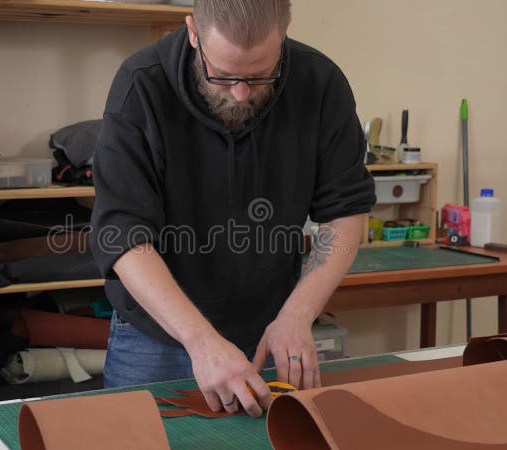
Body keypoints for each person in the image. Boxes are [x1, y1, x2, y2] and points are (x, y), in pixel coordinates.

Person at [90, 0, 375, 418]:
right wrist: (200, 340)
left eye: (260, 76)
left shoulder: (321, 83)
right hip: (157, 337)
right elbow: (123, 235)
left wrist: (297, 316)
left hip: (271, 333)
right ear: (193, 33)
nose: (241, 93)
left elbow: (345, 212)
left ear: (283, 33)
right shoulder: (141, 86)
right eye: (222, 76)